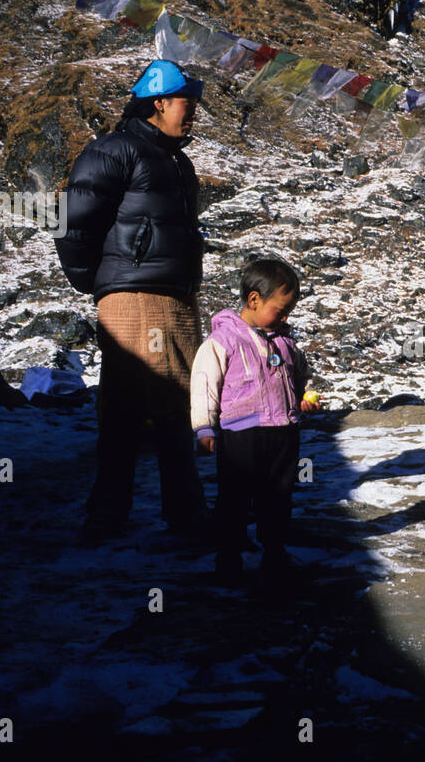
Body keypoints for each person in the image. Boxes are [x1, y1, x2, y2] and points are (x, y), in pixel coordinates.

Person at [54, 59, 210, 540]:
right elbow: (71, 218)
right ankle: (185, 517)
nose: (194, 112)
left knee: (130, 408)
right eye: (187, 101)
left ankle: (109, 514)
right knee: (168, 406)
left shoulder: (173, 159)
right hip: (140, 296)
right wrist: (96, 280)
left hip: (171, 296)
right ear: (159, 101)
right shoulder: (117, 150)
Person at [189, 258, 318, 580]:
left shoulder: (286, 342)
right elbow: (205, 384)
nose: (286, 317)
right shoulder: (223, 341)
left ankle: (274, 552)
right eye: (280, 309)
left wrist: (304, 398)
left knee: (278, 496)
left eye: (289, 310)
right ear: (254, 300)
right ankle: (228, 555)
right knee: (234, 497)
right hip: (241, 437)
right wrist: (203, 426)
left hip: (284, 432)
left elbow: (300, 376)